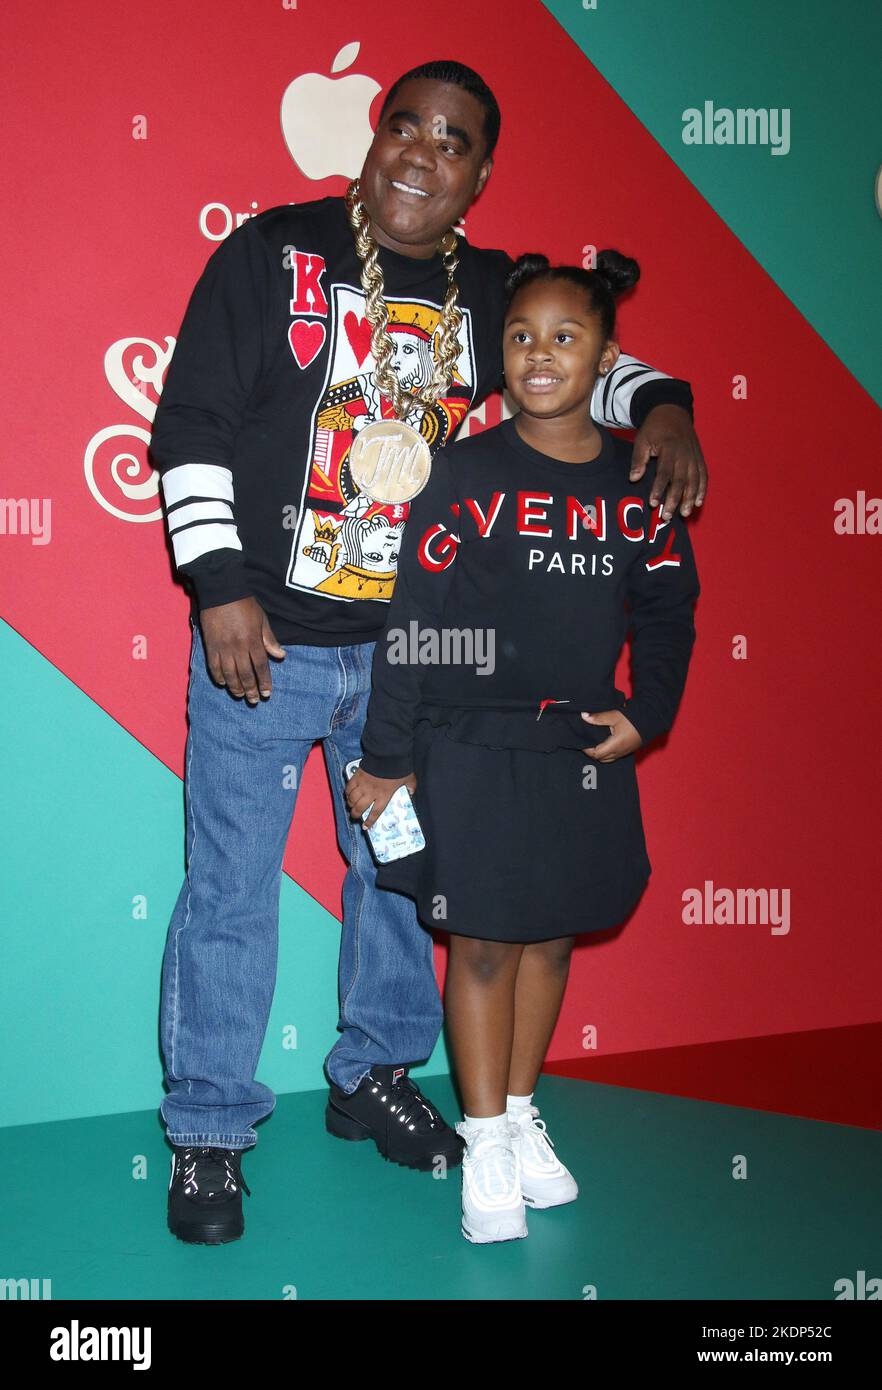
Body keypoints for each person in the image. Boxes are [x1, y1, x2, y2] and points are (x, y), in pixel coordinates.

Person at [151, 58, 707, 1245]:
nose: (421, 154)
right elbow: (191, 420)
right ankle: (208, 1130)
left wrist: (666, 406)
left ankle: (373, 1074)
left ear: (479, 175)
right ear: (377, 135)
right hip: (268, 644)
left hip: (422, 657)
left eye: (451, 142)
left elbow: (588, 359)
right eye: (406, 127)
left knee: (407, 880)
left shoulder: (499, 288)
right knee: (231, 892)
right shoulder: (272, 252)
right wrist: (217, 588)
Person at [346, 250, 700, 1243]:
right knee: (487, 943)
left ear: (607, 355)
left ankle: (524, 1108)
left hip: (579, 744)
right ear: (499, 355)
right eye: (520, 337)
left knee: (550, 935)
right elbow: (413, 626)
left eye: (564, 337)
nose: (539, 356)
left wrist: (653, 708)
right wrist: (387, 757)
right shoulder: (462, 473)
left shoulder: (642, 478)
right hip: (468, 746)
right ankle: (486, 1133)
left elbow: (670, 607)